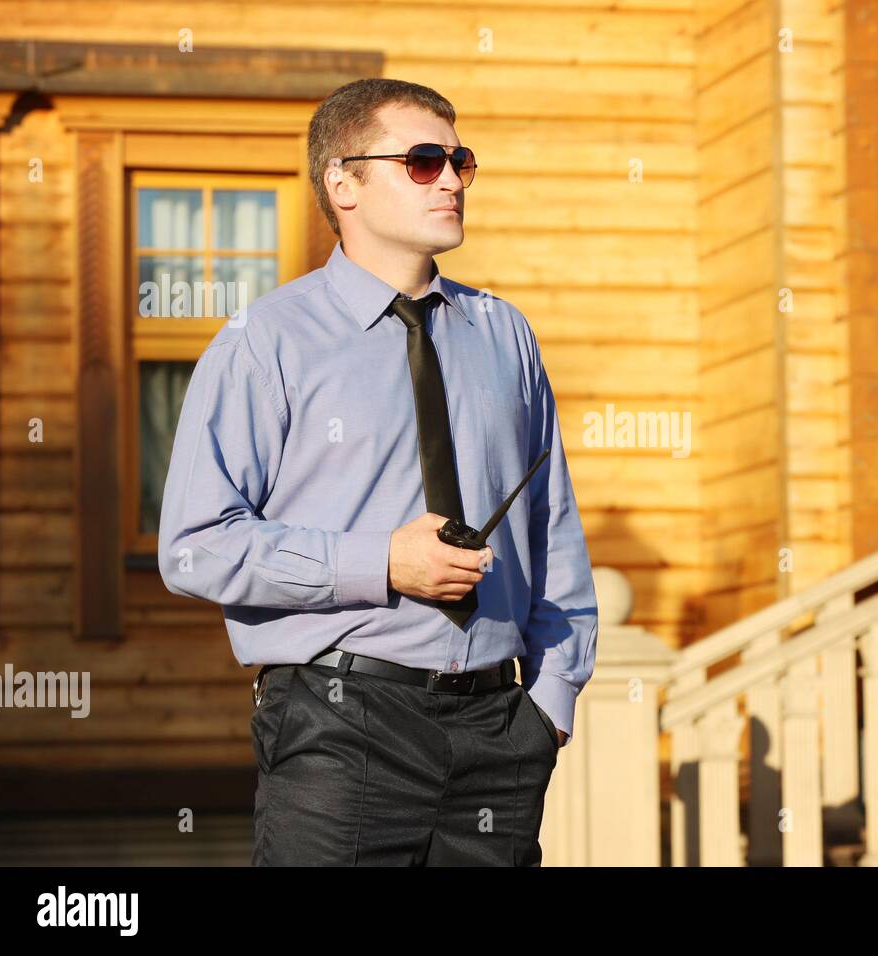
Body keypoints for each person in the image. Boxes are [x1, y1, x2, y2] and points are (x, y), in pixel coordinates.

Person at [156, 77, 598, 866]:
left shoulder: (506, 335)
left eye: (460, 160)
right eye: (423, 161)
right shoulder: (267, 342)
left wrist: (550, 704)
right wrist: (382, 563)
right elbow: (194, 547)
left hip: (501, 738)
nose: (452, 180)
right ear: (344, 183)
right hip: (340, 727)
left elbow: (552, 525)